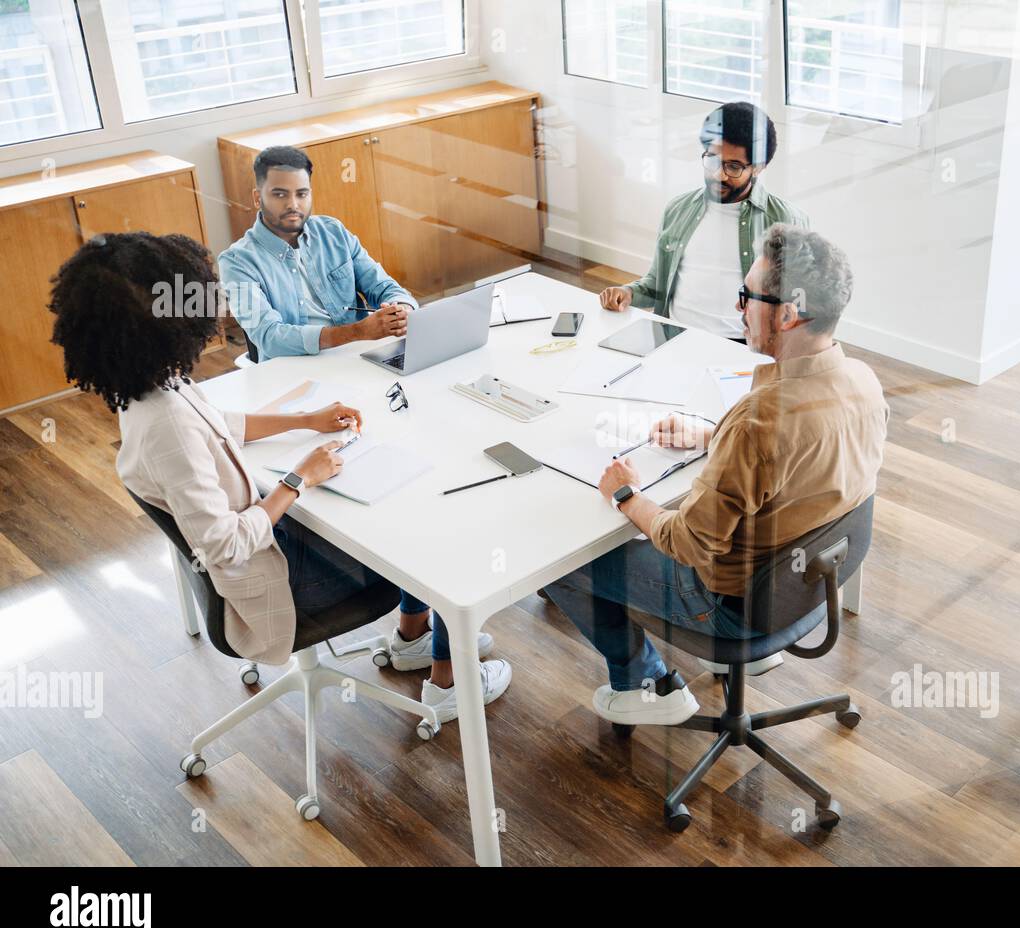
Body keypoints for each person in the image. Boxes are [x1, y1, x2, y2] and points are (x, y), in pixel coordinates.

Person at [51, 231, 510, 722]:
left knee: (396, 501)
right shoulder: (167, 425)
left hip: (270, 552)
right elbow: (225, 545)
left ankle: (416, 638)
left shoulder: (152, 390)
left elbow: (222, 428)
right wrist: (299, 479)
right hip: (278, 587)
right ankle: (448, 685)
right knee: (425, 529)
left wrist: (306, 420)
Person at [547, 225, 888, 725]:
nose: (739, 308)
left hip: (731, 607)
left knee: (566, 558)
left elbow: (686, 544)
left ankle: (648, 685)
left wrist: (625, 494)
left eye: (748, 296)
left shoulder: (758, 422)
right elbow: (801, 457)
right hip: (807, 587)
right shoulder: (863, 380)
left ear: (788, 314)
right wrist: (713, 437)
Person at [599, 102, 808, 340]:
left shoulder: (786, 221)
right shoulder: (678, 209)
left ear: (759, 168)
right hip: (673, 334)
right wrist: (628, 293)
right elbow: (657, 283)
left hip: (743, 344)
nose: (719, 175)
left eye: (734, 167)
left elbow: (798, 304)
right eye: (713, 159)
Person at [218, 145, 416, 361]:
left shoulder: (333, 232)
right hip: (294, 372)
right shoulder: (236, 262)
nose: (293, 205)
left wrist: (401, 310)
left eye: (301, 194)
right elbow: (270, 337)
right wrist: (358, 332)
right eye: (280, 194)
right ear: (257, 198)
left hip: (359, 357)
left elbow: (384, 287)